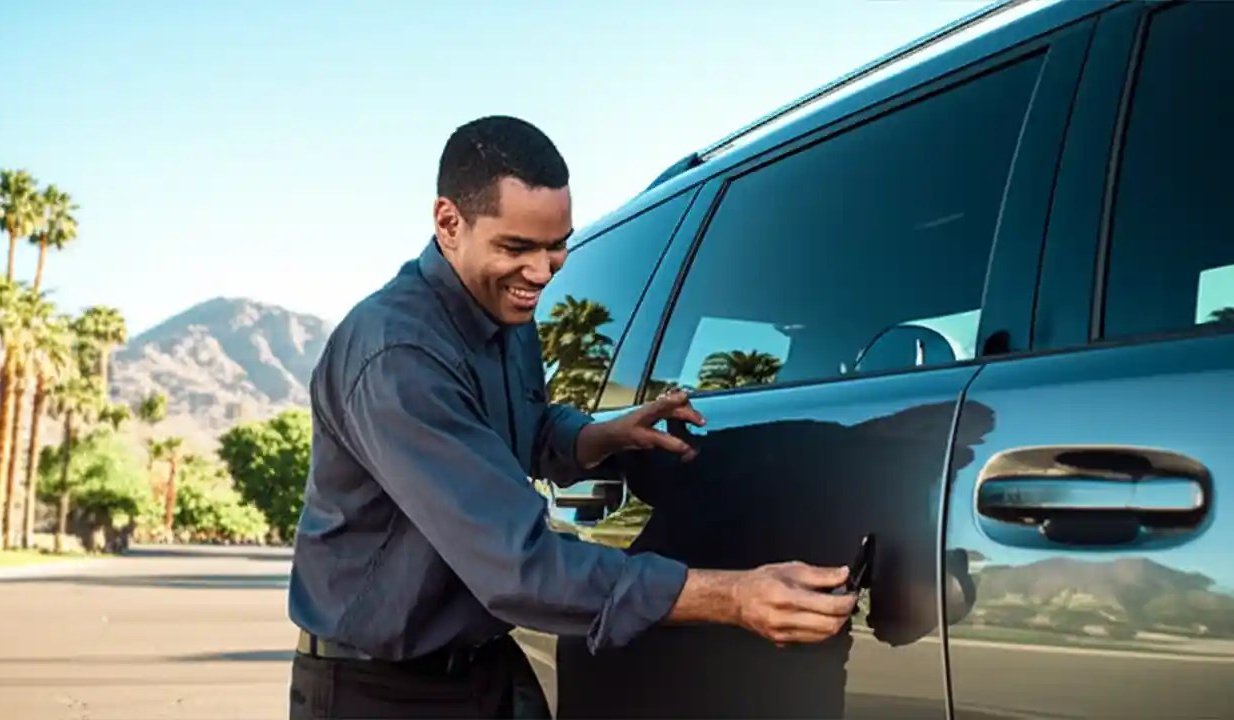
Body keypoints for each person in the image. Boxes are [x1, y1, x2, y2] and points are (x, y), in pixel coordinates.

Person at [286, 114, 858, 719]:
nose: (542, 273)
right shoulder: (397, 356)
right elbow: (520, 565)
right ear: (449, 223)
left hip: (488, 671)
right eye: (516, 248)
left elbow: (522, 431)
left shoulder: (505, 313)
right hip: (380, 693)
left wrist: (601, 435)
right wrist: (733, 595)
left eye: (556, 245)